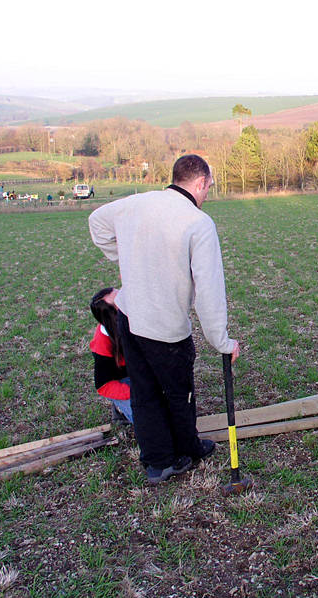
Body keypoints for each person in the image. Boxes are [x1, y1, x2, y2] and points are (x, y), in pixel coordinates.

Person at [89, 154, 240, 485]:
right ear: (200, 183)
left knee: (144, 392)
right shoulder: (198, 223)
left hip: (129, 319)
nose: (208, 193)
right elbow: (209, 292)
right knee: (178, 393)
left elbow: (97, 221)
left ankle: (160, 462)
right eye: (209, 186)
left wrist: (127, 255)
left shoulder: (136, 203)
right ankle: (184, 449)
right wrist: (222, 342)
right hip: (166, 331)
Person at [89, 287, 133, 425]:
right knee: (149, 419)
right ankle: (121, 410)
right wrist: (135, 392)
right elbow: (103, 385)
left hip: (139, 371)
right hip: (122, 381)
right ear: (114, 316)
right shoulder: (102, 343)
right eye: (119, 300)